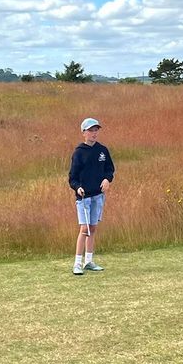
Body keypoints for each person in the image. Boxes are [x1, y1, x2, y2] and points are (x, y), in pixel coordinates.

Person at [68, 117, 114, 275]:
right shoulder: (79, 152)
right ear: (84, 133)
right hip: (84, 198)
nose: (94, 134)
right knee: (84, 229)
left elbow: (109, 169)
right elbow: (72, 178)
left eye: (96, 130)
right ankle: (77, 263)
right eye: (90, 131)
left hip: (98, 196)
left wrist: (107, 179)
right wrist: (78, 187)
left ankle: (89, 261)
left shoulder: (102, 150)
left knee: (93, 228)